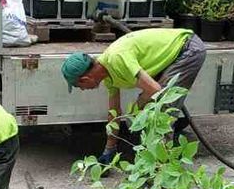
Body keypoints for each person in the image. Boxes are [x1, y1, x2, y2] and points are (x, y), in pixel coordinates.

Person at [60, 28, 206, 163]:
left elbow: (155, 90)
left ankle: (159, 176)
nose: (83, 90)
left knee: (162, 112)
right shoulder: (109, 76)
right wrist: (109, 148)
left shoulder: (117, 59)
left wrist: (136, 108)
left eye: (79, 87)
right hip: (175, 55)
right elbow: (114, 114)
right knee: (150, 110)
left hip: (187, 50)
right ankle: (152, 165)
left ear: (85, 79)